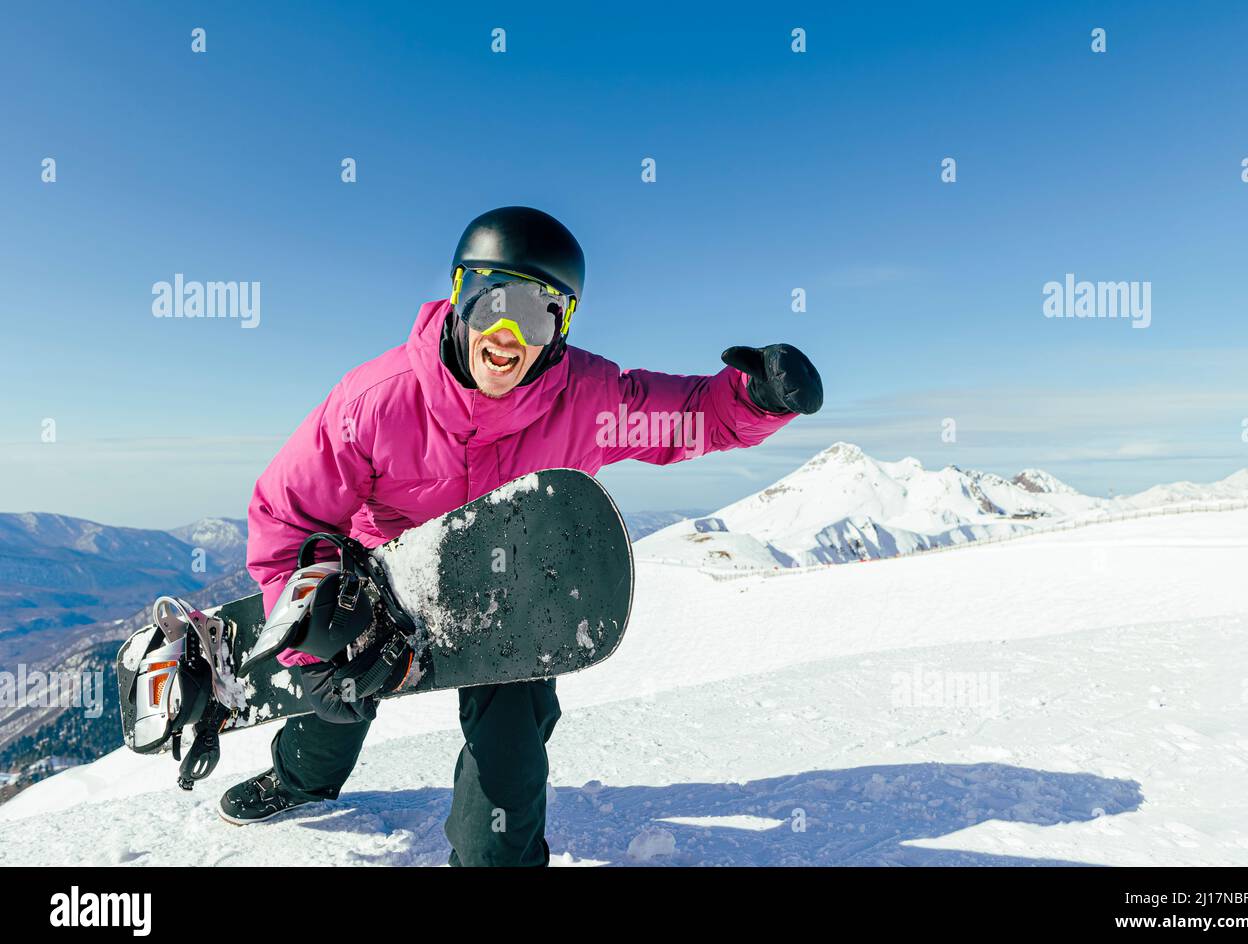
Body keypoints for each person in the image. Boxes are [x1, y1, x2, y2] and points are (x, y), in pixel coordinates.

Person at [218, 206, 823, 865]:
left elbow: (683, 417)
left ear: (561, 326)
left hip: (509, 585)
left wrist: (755, 397)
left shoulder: (587, 399)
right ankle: (302, 775)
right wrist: (306, 629)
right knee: (340, 668)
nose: (508, 331)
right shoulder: (377, 400)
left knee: (508, 755)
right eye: (491, 302)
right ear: (458, 296)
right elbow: (288, 514)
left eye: (538, 313)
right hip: (387, 574)